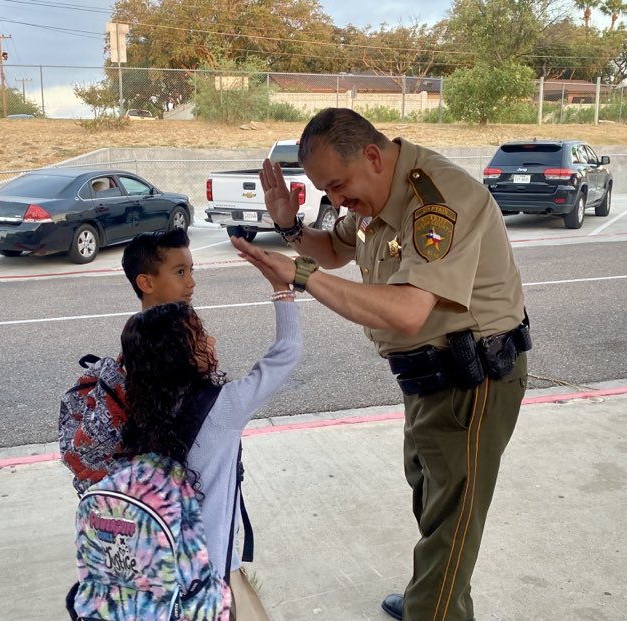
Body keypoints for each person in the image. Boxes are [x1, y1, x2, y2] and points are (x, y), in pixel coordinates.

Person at [230, 107, 531, 621]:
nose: (335, 201)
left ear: (372, 155)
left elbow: (409, 312)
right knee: (432, 500)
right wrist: (287, 224)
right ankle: (435, 598)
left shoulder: (435, 202)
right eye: (326, 191)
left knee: (453, 521)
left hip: (472, 380)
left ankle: (432, 609)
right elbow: (334, 250)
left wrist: (298, 274)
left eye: (337, 186)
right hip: (428, 379)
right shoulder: (376, 193)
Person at [118, 272, 302, 620]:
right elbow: (287, 351)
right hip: (206, 579)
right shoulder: (223, 409)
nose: (211, 340)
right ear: (180, 355)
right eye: (200, 337)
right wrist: (282, 290)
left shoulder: (140, 411)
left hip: (153, 570)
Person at [59, 228, 197, 494]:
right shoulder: (157, 348)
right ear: (146, 283)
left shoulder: (140, 335)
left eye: (191, 271)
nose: (191, 283)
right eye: (180, 272)